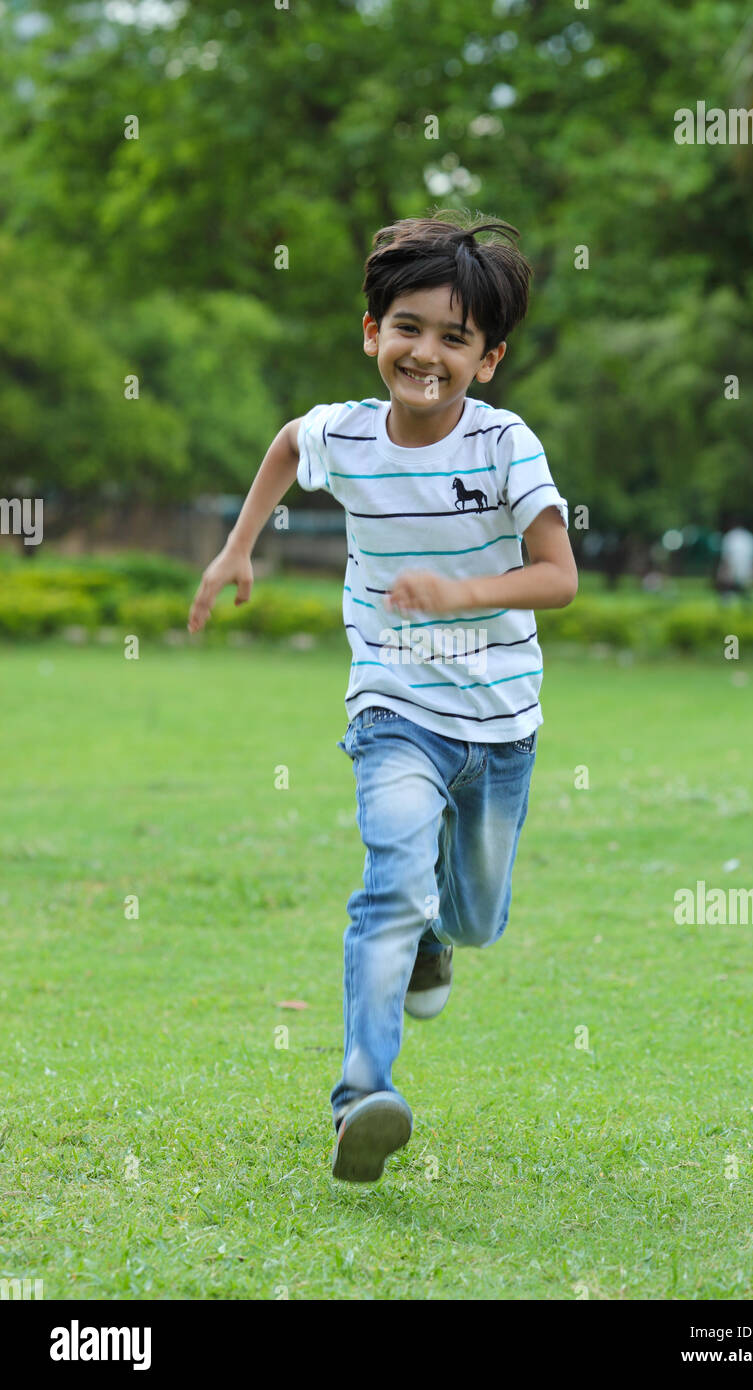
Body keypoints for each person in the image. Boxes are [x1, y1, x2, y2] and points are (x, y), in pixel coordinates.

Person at [188, 212, 577, 1182]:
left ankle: (437, 946)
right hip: (393, 706)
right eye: (408, 327)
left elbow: (557, 576)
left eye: (455, 338)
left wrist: (464, 592)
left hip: (498, 720)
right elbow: (286, 444)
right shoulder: (347, 434)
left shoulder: (503, 444)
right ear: (372, 334)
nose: (426, 353)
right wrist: (240, 546)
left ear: (486, 360)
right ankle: (362, 1094)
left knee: (477, 914)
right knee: (387, 879)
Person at [717, 517, 753, 600]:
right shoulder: (749, 536)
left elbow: (726, 558)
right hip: (748, 570)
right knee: (745, 587)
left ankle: (727, 599)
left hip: (733, 570)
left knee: (725, 578)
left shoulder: (730, 536)